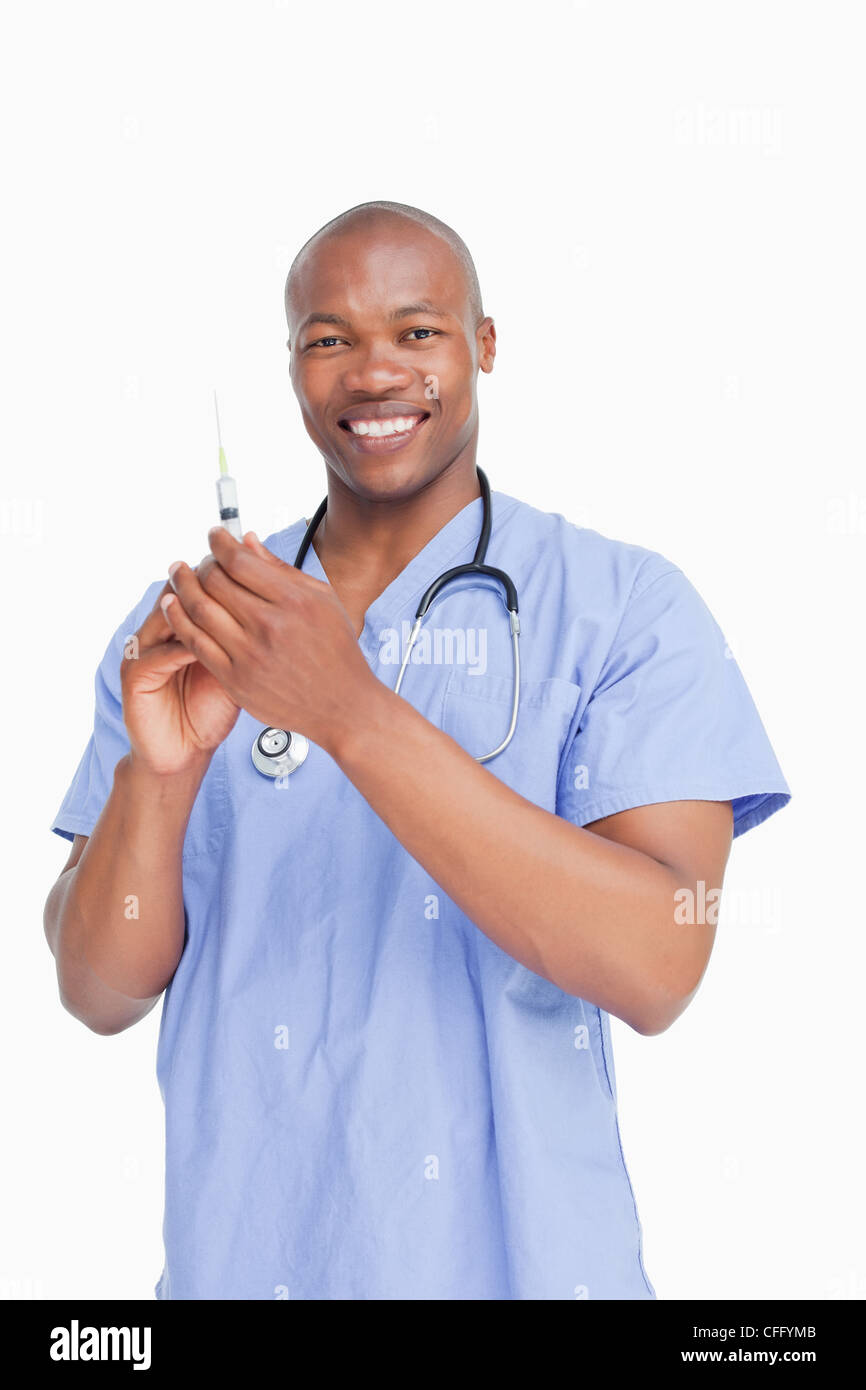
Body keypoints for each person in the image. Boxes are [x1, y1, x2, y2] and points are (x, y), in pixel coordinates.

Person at [44, 200, 791, 1301]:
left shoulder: (623, 608)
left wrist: (347, 709)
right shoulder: (195, 630)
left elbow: (657, 962)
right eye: (328, 339)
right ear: (292, 367)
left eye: (416, 331)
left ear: (484, 345)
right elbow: (95, 987)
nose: (371, 372)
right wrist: (157, 776)